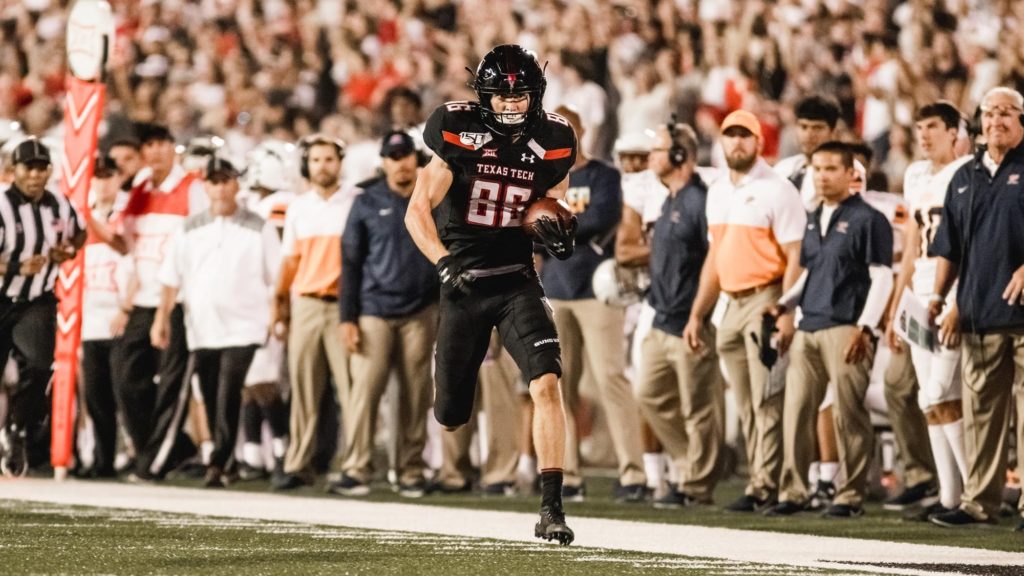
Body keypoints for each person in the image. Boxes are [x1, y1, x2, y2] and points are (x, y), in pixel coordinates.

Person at [405, 44, 578, 544]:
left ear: (536, 94)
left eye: (519, 95)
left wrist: (557, 227)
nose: (510, 104)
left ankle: (551, 507)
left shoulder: (555, 139)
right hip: (463, 281)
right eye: (501, 96)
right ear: (483, 96)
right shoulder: (456, 130)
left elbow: (552, 200)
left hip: (516, 278)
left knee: (546, 383)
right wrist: (443, 262)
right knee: (450, 415)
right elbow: (417, 211)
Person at [684, 110, 806, 513]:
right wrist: (698, 313)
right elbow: (715, 256)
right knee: (747, 400)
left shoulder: (778, 189)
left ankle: (767, 485)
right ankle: (760, 478)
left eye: (745, 135)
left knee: (767, 395)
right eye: (730, 135)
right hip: (731, 303)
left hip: (765, 297)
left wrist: (786, 308)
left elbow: (795, 255)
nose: (737, 142)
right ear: (721, 141)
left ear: (758, 141)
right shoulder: (719, 189)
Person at [764, 141, 894, 518]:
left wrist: (865, 328)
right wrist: (785, 302)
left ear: (851, 173)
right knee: (797, 410)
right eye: (817, 169)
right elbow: (811, 272)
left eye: (831, 169)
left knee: (847, 414)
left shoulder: (870, 219)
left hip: (846, 325)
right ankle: (793, 491)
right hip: (809, 324)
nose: (822, 176)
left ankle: (850, 495)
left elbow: (882, 277)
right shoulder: (811, 216)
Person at [929, 87, 1024, 529]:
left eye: (1007, 113)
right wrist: (941, 299)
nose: (996, 121)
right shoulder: (963, 177)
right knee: (982, 415)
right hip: (978, 313)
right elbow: (949, 247)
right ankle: (978, 502)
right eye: (989, 113)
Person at [541, 106, 647, 502]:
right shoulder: (541, 178)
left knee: (611, 378)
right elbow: (530, 227)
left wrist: (553, 225)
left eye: (569, 128)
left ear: (583, 131)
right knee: (559, 384)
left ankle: (633, 472)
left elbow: (600, 218)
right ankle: (567, 473)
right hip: (556, 289)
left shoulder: (604, 175)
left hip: (598, 291)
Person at [154, 156, 280, 488]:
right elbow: (170, 278)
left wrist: (276, 316)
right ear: (205, 186)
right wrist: (161, 318)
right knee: (209, 393)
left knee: (228, 389)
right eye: (214, 181)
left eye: (226, 181)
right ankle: (228, 460)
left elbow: (276, 277)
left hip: (246, 326)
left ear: (236, 184)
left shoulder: (259, 227)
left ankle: (219, 462)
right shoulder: (188, 228)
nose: (220, 188)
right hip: (202, 327)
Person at [335, 131, 438, 497]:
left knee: (416, 393)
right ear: (383, 162)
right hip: (373, 309)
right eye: (393, 156)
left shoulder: (432, 196)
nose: (400, 163)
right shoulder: (366, 201)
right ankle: (357, 467)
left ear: (415, 158)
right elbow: (350, 262)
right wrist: (347, 318)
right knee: (365, 391)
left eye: (405, 155)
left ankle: (411, 469)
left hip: (421, 309)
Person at [885, 102, 971, 518]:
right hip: (919, 293)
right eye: (919, 127)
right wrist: (896, 307)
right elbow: (911, 245)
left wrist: (958, 300)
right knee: (928, 398)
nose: (923, 134)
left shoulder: (967, 172)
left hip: (950, 292)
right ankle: (951, 497)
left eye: (933, 126)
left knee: (940, 391)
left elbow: (970, 246)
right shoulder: (916, 175)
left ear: (955, 132)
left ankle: (978, 493)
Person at [634, 121, 724, 508]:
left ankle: (698, 485)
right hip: (661, 317)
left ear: (678, 155)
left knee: (698, 407)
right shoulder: (669, 199)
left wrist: (699, 314)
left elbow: (715, 260)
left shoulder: (699, 201)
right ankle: (691, 464)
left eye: (658, 150)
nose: (650, 157)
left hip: (690, 320)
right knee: (648, 394)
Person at [272, 133, 356, 490]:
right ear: (307, 165)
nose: (323, 166)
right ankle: (298, 464)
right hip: (306, 303)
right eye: (317, 160)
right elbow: (290, 262)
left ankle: (353, 465)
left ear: (340, 163)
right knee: (304, 390)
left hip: (344, 304)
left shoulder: (356, 201)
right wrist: (279, 306)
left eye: (329, 159)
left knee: (351, 391)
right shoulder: (299, 207)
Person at [0, 137, 85, 477]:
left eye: (41, 168)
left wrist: (68, 250)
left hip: (37, 299)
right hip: (2, 297)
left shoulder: (60, 205)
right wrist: (16, 267)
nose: (35, 175)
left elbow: (79, 233)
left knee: (40, 367)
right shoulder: (2, 205)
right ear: (14, 169)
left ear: (49, 170)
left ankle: (17, 429)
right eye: (29, 167)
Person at [79, 156, 130, 478]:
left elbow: (125, 248)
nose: (103, 182)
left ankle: (133, 452)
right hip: (89, 317)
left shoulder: (127, 211)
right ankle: (102, 458)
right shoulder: (81, 215)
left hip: (118, 313)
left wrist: (126, 308)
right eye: (97, 176)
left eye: (109, 175)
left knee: (124, 390)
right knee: (96, 395)